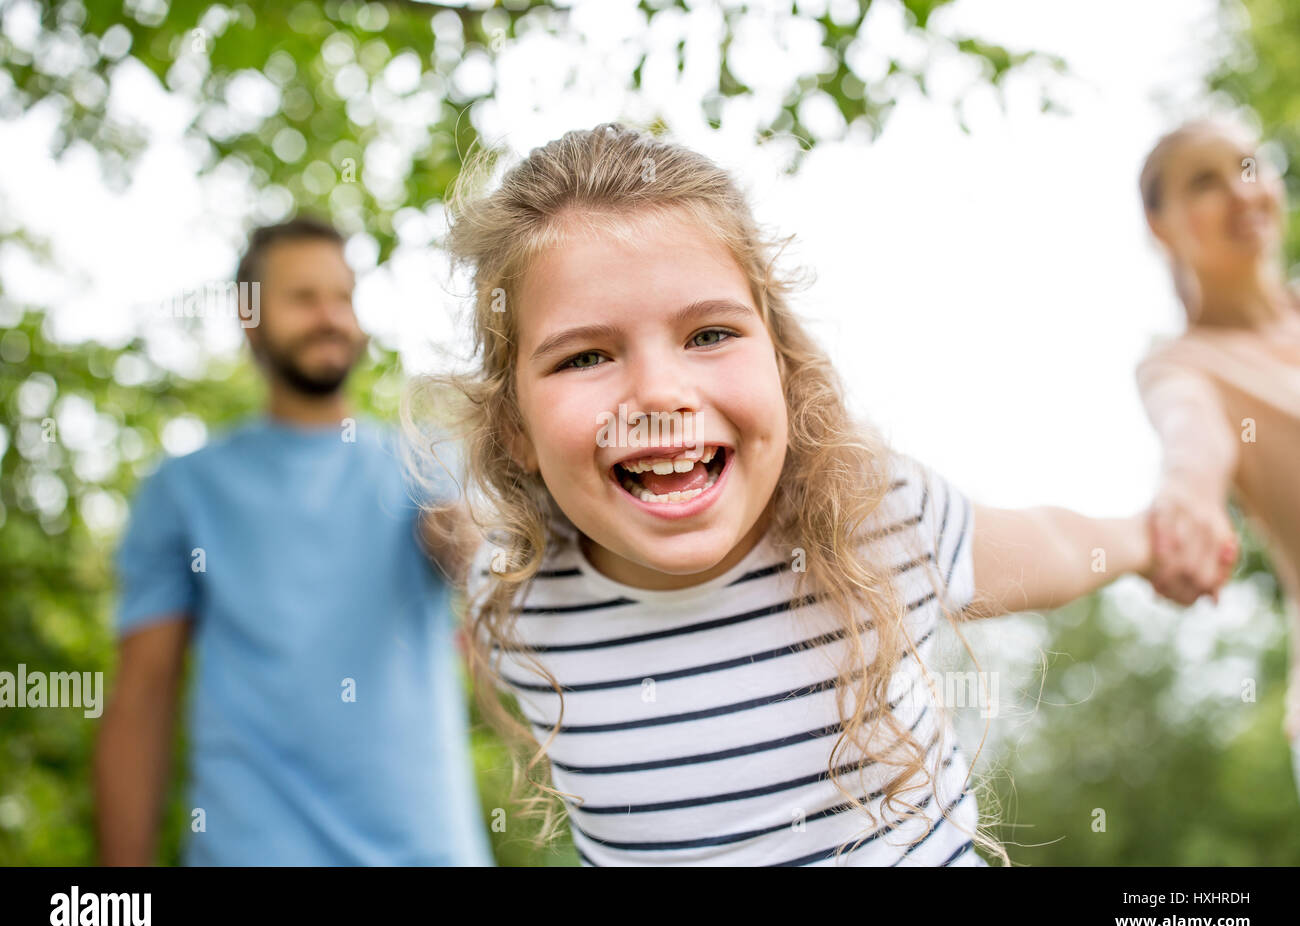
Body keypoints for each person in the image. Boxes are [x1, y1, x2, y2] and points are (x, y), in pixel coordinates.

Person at [409, 122, 1216, 866]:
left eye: (710, 334)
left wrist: (1156, 540)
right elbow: (467, 539)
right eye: (585, 357)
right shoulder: (520, 602)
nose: (659, 391)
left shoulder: (875, 518)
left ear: (784, 368)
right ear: (513, 425)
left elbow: (1053, 546)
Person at [95, 216, 492, 865]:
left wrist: (463, 539)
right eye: (303, 298)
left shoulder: (424, 463)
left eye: (342, 297)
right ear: (249, 317)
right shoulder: (187, 489)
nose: (330, 317)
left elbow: (482, 567)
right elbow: (142, 698)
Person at [1135, 116, 1300, 796]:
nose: (1241, 193)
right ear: (1162, 226)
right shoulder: (1184, 366)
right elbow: (1192, 438)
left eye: (1249, 166)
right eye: (1205, 182)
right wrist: (1189, 501)